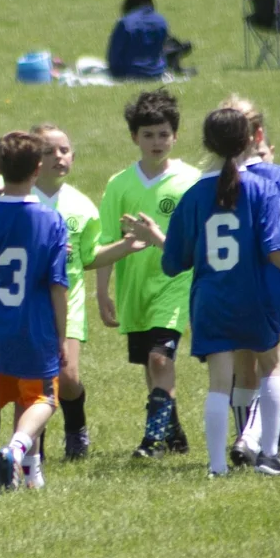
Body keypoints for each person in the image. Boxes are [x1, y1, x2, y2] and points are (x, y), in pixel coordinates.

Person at [134, 107, 280, 477]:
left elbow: (174, 262)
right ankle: (269, 455)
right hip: (258, 294)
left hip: (211, 299)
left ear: (206, 144)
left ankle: (216, 467)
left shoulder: (195, 194)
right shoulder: (264, 188)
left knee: (218, 383)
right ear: (250, 141)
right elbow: (275, 247)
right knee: (271, 369)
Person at [0, 131, 70, 491]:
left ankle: (28, 475)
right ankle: (16, 447)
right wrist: (61, 336)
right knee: (44, 399)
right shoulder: (51, 221)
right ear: (38, 169)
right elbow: (57, 285)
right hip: (33, 325)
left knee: (24, 398)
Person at [96, 88, 200, 458]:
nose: (156, 142)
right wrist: (103, 292)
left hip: (175, 284)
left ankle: (151, 441)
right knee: (151, 366)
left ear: (175, 135)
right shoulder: (119, 184)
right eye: (148, 134)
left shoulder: (192, 182)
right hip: (134, 289)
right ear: (134, 137)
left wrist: (157, 239)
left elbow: (195, 243)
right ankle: (174, 436)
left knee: (161, 359)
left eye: (163, 134)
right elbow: (106, 241)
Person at [217, 96, 280, 456]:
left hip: (228, 282)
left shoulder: (212, 179)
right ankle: (257, 442)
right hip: (269, 281)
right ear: (257, 134)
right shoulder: (275, 175)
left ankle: (245, 435)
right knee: (273, 364)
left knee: (243, 366)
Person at [31, 124, 106, 460]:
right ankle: (36, 445)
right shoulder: (21, 198)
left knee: (67, 375)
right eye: (48, 151)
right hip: (30, 303)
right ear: (34, 158)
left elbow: (90, 256)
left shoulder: (82, 205)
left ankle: (76, 427)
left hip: (69, 302)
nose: (58, 157)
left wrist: (128, 245)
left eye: (63, 150)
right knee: (36, 378)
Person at [106, 0, 193, 79]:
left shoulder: (125, 23)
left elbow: (113, 55)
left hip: (129, 72)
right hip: (157, 71)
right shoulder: (161, 21)